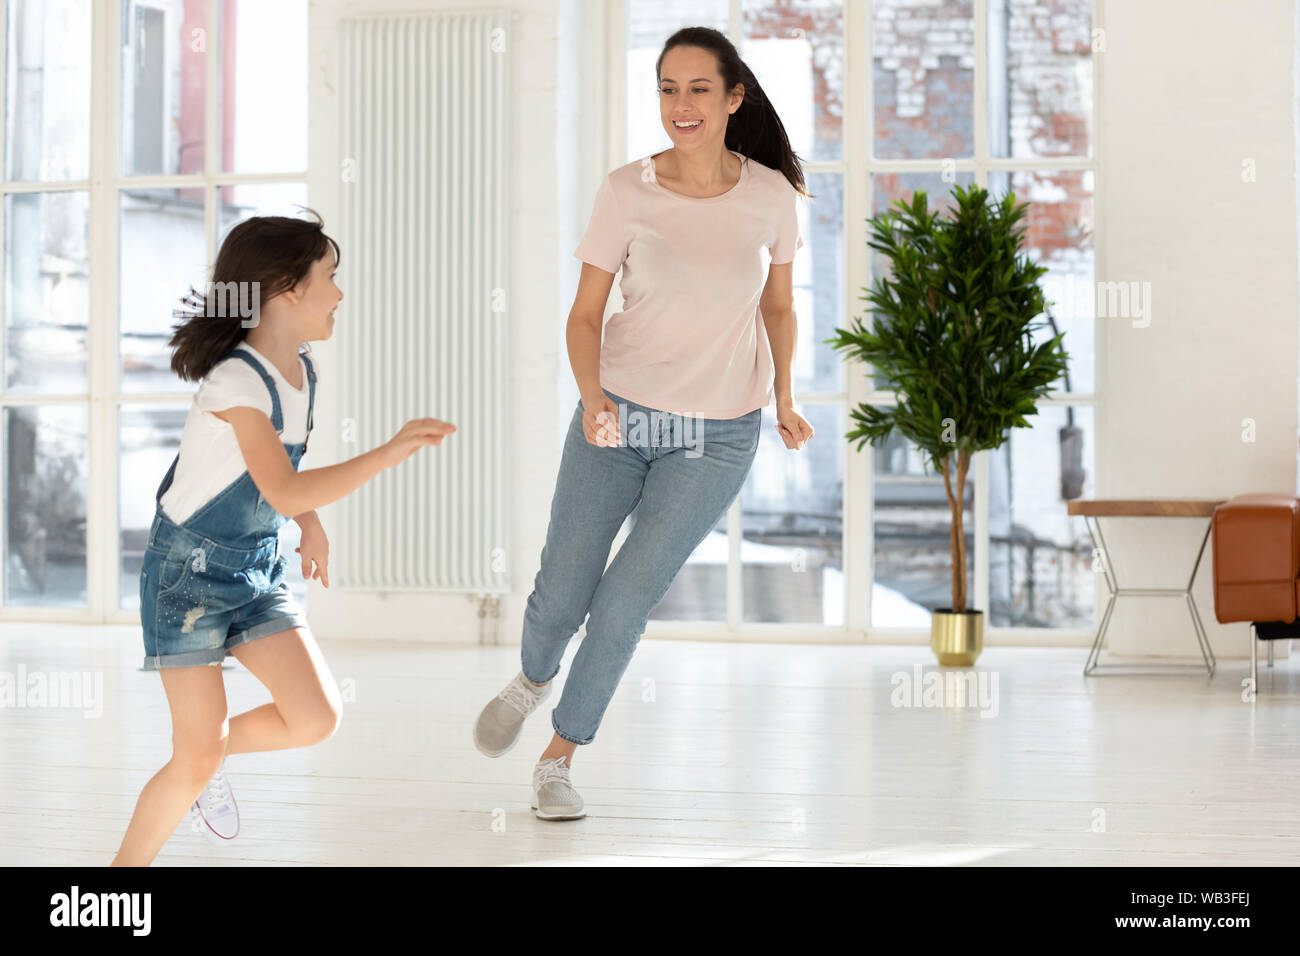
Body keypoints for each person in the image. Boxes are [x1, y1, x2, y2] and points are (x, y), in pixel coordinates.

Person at [474, 27, 815, 820]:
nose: (680, 105)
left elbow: (778, 304)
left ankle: (559, 759)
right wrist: (592, 395)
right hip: (619, 418)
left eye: (699, 89)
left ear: (734, 98)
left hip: (718, 435)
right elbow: (585, 312)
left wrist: (785, 396)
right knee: (562, 594)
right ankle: (531, 678)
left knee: (625, 602)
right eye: (667, 88)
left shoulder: (770, 196)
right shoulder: (627, 189)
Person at [112, 212, 455, 865]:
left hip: (254, 569)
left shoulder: (304, 372)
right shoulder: (234, 380)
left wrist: (311, 526)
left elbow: (284, 471)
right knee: (195, 756)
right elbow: (284, 490)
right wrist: (388, 452)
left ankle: (206, 756)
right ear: (285, 287)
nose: (340, 293)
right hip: (186, 577)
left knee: (315, 717)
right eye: (330, 276)